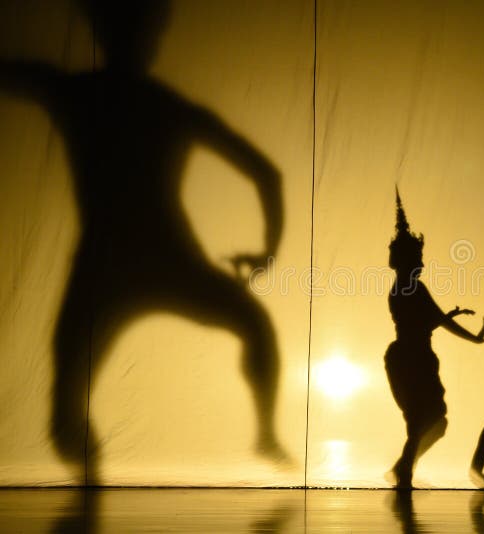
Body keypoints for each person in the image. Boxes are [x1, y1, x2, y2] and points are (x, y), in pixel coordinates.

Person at [0, 0, 284, 481]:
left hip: (125, 265)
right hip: (144, 264)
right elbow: (265, 173)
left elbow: (266, 173)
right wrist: (266, 252)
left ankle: (263, 435)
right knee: (253, 324)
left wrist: (268, 251)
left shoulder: (80, 94)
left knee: (253, 324)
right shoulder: (162, 107)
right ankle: (262, 434)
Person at [384, 189, 484, 488]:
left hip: (411, 356)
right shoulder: (411, 287)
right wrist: (472, 338)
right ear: (402, 260)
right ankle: (403, 472)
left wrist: (452, 320)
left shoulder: (404, 288)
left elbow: (431, 319)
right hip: (412, 357)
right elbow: (437, 319)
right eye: (417, 256)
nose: (422, 262)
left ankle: (402, 470)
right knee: (428, 421)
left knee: (428, 422)